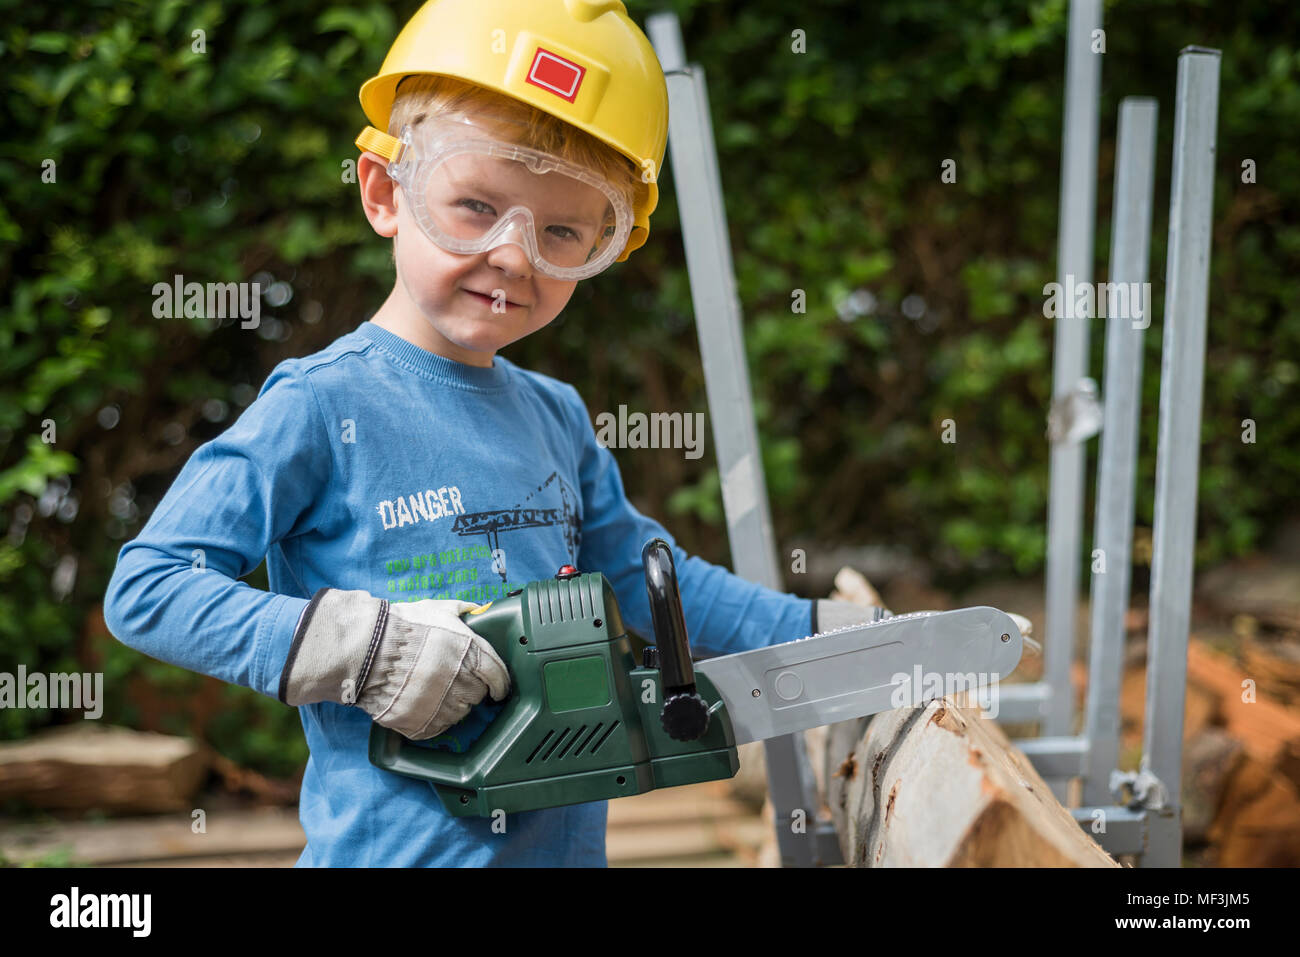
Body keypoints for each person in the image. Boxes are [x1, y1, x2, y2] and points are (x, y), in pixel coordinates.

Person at [103, 0, 877, 866]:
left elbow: (655, 582)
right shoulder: (320, 405)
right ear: (385, 193)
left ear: (605, 244)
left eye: (562, 231)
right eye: (476, 206)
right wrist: (360, 649)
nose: (515, 255)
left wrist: (835, 630)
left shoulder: (558, 417)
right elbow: (150, 588)